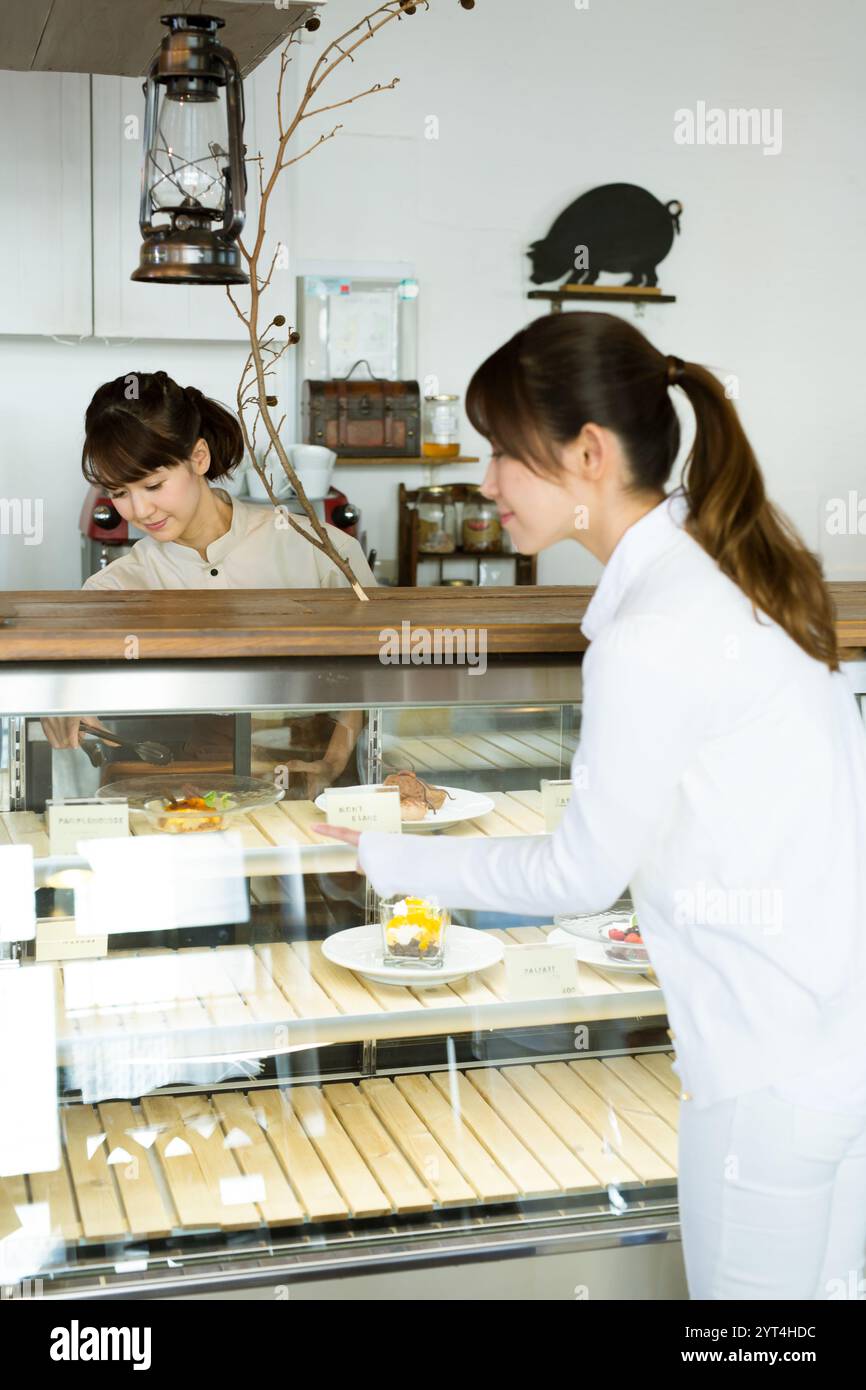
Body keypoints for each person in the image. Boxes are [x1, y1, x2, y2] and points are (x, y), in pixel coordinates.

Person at [316, 311, 866, 1301]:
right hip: (835, 1051)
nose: (485, 483)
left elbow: (579, 872)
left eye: (500, 453)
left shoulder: (653, 626)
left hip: (762, 1077)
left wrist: (389, 856)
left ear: (586, 453)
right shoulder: (733, 571)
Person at [44, 369, 373, 794]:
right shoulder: (116, 586)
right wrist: (65, 697)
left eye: (153, 484)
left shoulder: (316, 549)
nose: (140, 510)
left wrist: (330, 762)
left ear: (198, 458)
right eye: (119, 493)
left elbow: (374, 666)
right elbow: (70, 672)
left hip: (315, 783)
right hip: (188, 794)